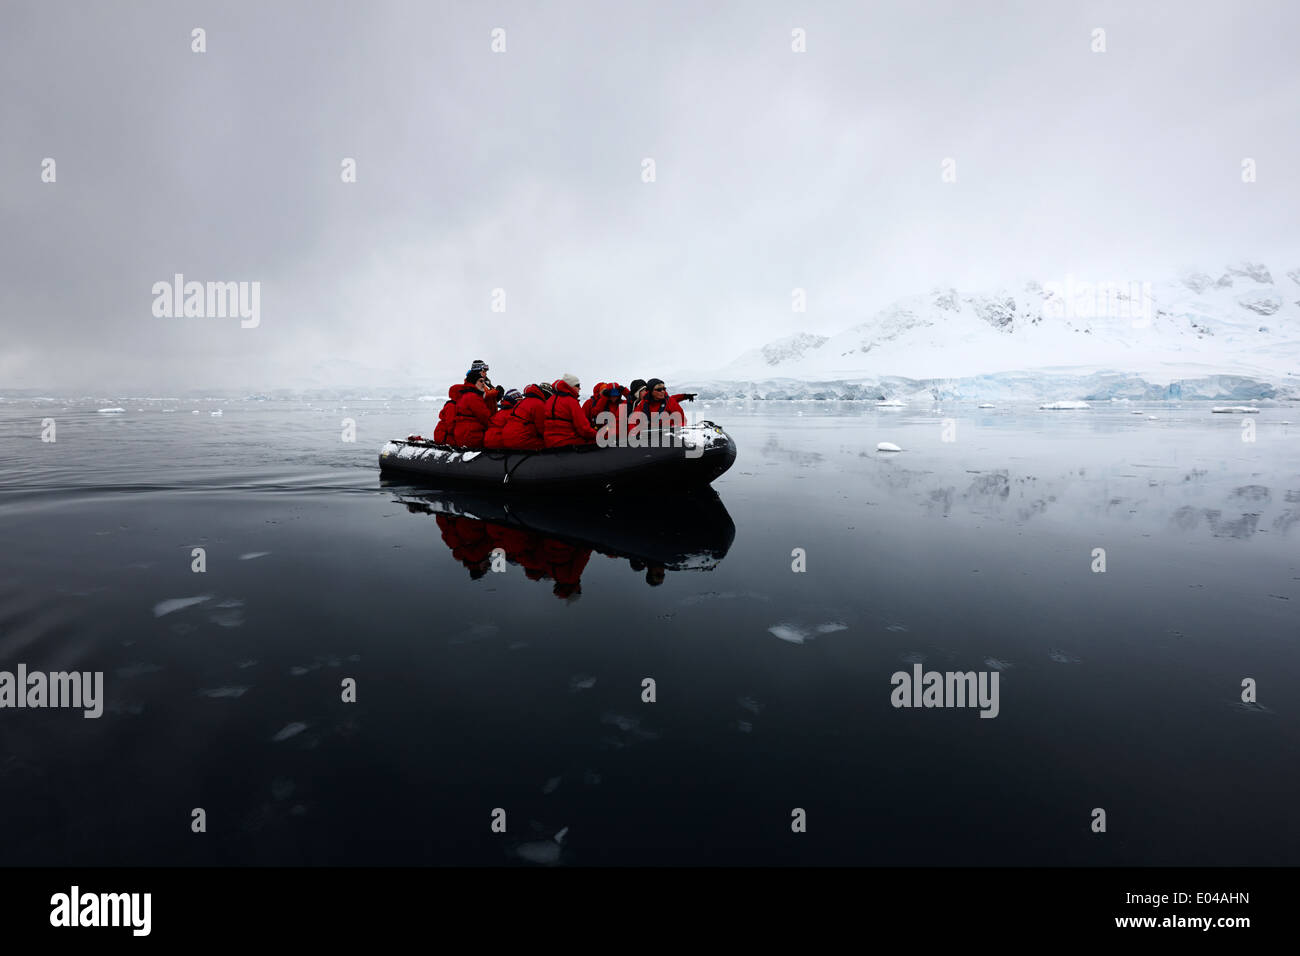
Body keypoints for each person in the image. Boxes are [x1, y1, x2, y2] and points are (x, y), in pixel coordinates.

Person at [543, 373, 598, 447]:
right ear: (570, 387)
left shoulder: (550, 400)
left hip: (549, 441)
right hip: (568, 441)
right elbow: (583, 429)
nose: (580, 388)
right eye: (577, 385)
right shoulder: (571, 401)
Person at [449, 368, 500, 448]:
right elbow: (486, 417)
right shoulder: (473, 397)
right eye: (480, 381)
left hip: (463, 435)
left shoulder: (465, 395)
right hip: (471, 437)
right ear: (473, 382)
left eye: (483, 381)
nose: (483, 384)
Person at [501, 383, 552, 450]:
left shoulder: (520, 403)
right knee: (549, 444)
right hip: (521, 440)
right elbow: (542, 428)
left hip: (506, 439)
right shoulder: (539, 404)